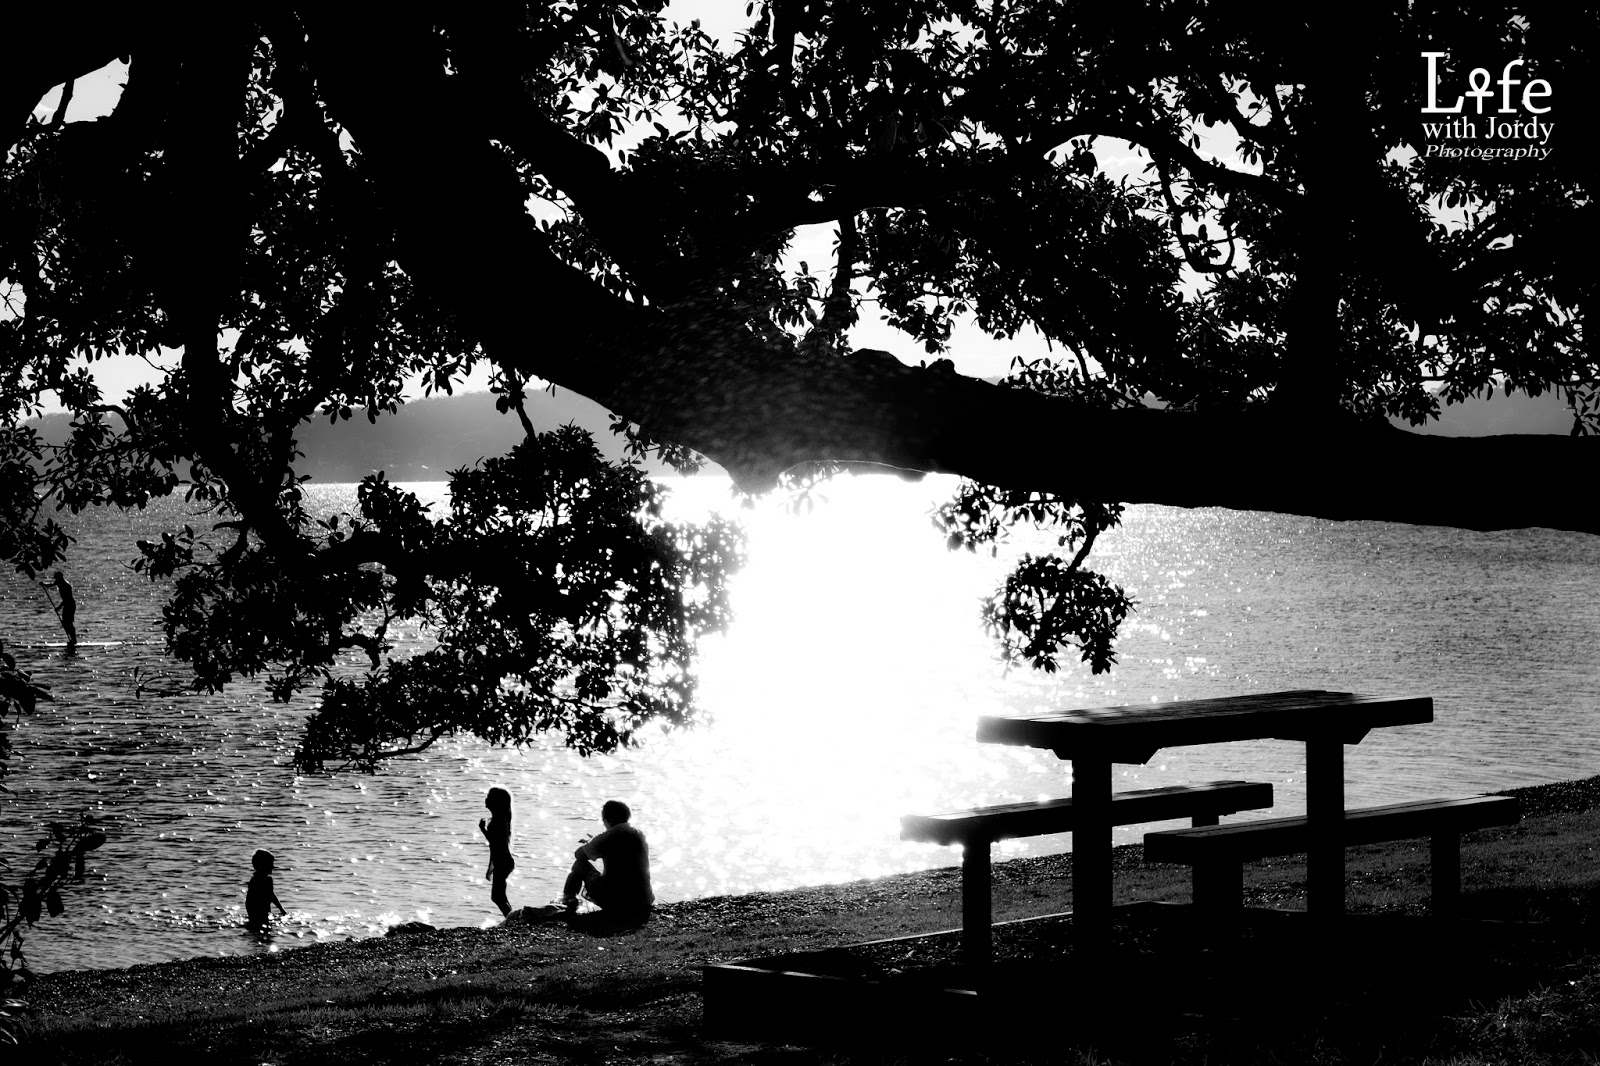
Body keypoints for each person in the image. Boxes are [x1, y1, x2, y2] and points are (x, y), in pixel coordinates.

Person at [563, 799, 653, 923]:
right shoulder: (639, 834)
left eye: (603, 820)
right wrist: (595, 843)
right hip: (644, 901)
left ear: (608, 820)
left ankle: (568, 902)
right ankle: (569, 902)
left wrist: (591, 843)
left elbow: (579, 855)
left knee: (579, 865)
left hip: (617, 904)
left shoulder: (608, 837)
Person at [479, 787, 515, 918]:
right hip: (501, 860)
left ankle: (513, 920)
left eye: (489, 797)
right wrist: (484, 830)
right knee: (499, 896)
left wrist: (492, 866)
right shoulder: (496, 820)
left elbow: (497, 844)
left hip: (503, 861)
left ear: (497, 802)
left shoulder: (500, 821)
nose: (486, 799)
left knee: (497, 896)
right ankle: (512, 919)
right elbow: (494, 844)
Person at [245, 849, 287, 927]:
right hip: (257, 910)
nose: (273, 866)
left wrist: (281, 909)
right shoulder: (256, 880)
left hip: (259, 910)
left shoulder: (266, 879)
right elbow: (251, 899)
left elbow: (271, 895)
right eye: (270, 864)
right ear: (261, 865)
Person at [42, 571, 76, 648]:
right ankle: (72, 640)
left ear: (60, 578)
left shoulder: (66, 586)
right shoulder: (59, 582)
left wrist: (59, 607)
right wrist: (44, 584)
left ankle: (73, 640)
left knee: (68, 622)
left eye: (56, 578)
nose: (55, 580)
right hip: (66, 605)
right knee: (65, 622)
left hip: (70, 605)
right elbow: (51, 585)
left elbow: (67, 599)